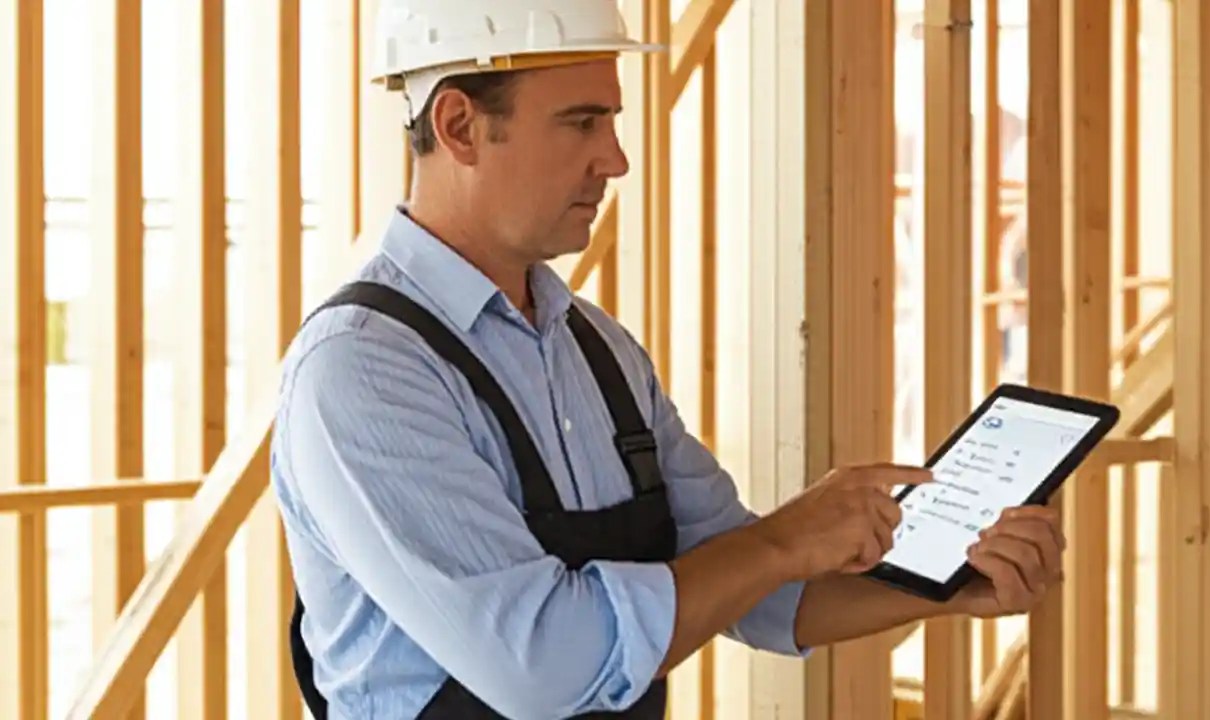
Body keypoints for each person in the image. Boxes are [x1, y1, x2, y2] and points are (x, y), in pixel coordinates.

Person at [269, 1, 1067, 718]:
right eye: (582, 123)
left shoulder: (599, 352)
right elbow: (541, 668)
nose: (615, 159)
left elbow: (756, 595)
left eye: (611, 122)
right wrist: (785, 539)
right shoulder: (363, 373)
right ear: (459, 126)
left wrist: (941, 589)